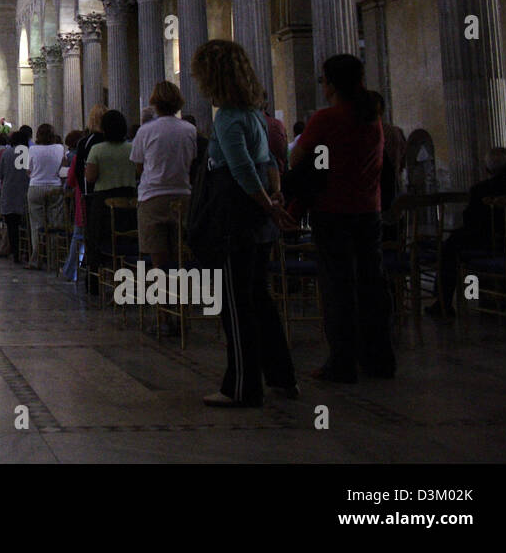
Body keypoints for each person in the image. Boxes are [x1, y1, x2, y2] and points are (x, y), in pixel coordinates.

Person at [191, 39, 297, 407]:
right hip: (256, 218)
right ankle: (282, 377)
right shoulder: (254, 114)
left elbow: (240, 169)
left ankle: (241, 387)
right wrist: (275, 196)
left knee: (236, 304)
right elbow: (268, 162)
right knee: (259, 299)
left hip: (235, 217)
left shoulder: (229, 117)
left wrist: (268, 203)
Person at [291, 53, 392, 383]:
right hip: (369, 210)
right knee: (371, 285)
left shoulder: (327, 118)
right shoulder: (372, 115)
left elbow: (297, 158)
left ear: (331, 84)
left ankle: (342, 362)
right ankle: (379, 359)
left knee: (338, 288)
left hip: (333, 210)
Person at [428, 147, 506, 317]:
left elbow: (472, 222)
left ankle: (443, 303)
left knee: (450, 246)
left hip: (490, 243)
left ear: (488, 169)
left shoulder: (481, 190)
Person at [130, 82, 197, 275]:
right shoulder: (189, 130)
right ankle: (181, 298)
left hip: (153, 197)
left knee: (158, 258)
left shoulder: (145, 131)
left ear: (155, 103)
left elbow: (139, 166)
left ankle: (164, 300)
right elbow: (191, 161)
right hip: (182, 194)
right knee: (180, 254)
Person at [83, 110, 136, 286]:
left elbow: (90, 177)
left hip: (104, 201)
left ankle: (94, 282)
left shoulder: (97, 149)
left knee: (97, 240)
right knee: (128, 238)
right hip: (129, 200)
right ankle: (129, 280)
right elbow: (138, 171)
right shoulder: (131, 148)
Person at [25, 124, 66, 269]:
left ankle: (36, 259)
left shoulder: (32, 149)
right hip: (55, 187)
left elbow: (28, 171)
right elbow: (63, 166)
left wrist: (38, 175)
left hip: (35, 187)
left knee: (37, 226)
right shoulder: (60, 148)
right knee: (55, 224)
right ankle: (54, 260)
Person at [0, 125, 32, 263]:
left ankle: (15, 253)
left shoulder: (6, 153)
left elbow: (1, 174)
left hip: (9, 192)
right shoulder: (27, 152)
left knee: (12, 226)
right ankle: (27, 252)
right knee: (27, 225)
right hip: (24, 192)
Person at [59, 130, 86, 281]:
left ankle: (71, 271)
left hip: (82, 201)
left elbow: (69, 182)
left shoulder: (74, 157)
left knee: (78, 236)